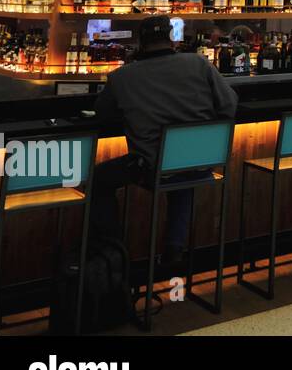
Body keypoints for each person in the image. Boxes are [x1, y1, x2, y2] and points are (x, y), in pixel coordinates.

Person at [91, 16, 238, 269]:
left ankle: (114, 255)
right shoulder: (199, 63)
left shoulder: (122, 77)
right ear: (172, 38)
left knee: (97, 180)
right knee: (182, 168)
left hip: (151, 166)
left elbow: (104, 115)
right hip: (201, 161)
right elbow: (229, 106)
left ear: (140, 43)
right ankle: (174, 251)